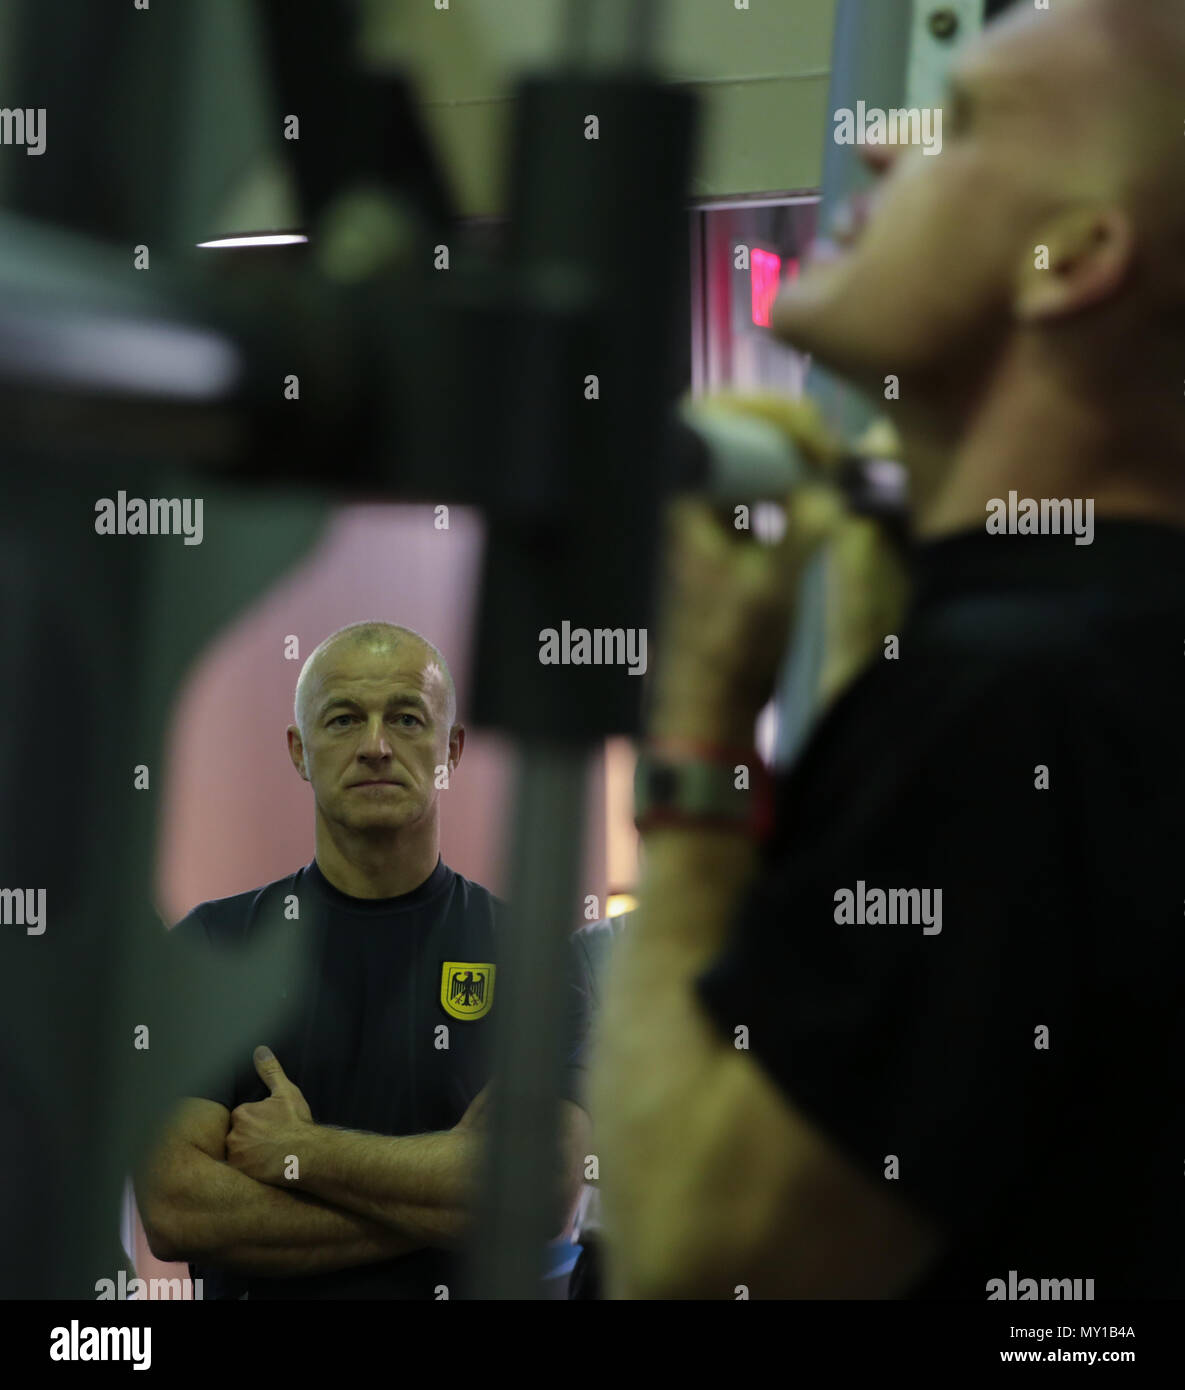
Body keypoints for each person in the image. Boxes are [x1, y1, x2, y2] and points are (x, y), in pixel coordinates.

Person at [591, 0, 1185, 1298]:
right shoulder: (1071, 660)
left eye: (958, 124)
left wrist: (696, 729)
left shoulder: (1006, 700)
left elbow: (700, 1257)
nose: (880, 148)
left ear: (1071, 256)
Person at [135, 621, 592, 1298]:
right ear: (299, 750)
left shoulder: (532, 953)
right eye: (344, 719)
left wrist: (302, 1153)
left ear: (452, 748)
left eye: (407, 719)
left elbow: (547, 1190)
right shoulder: (215, 944)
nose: (376, 746)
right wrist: (462, 1197)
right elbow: (177, 1209)